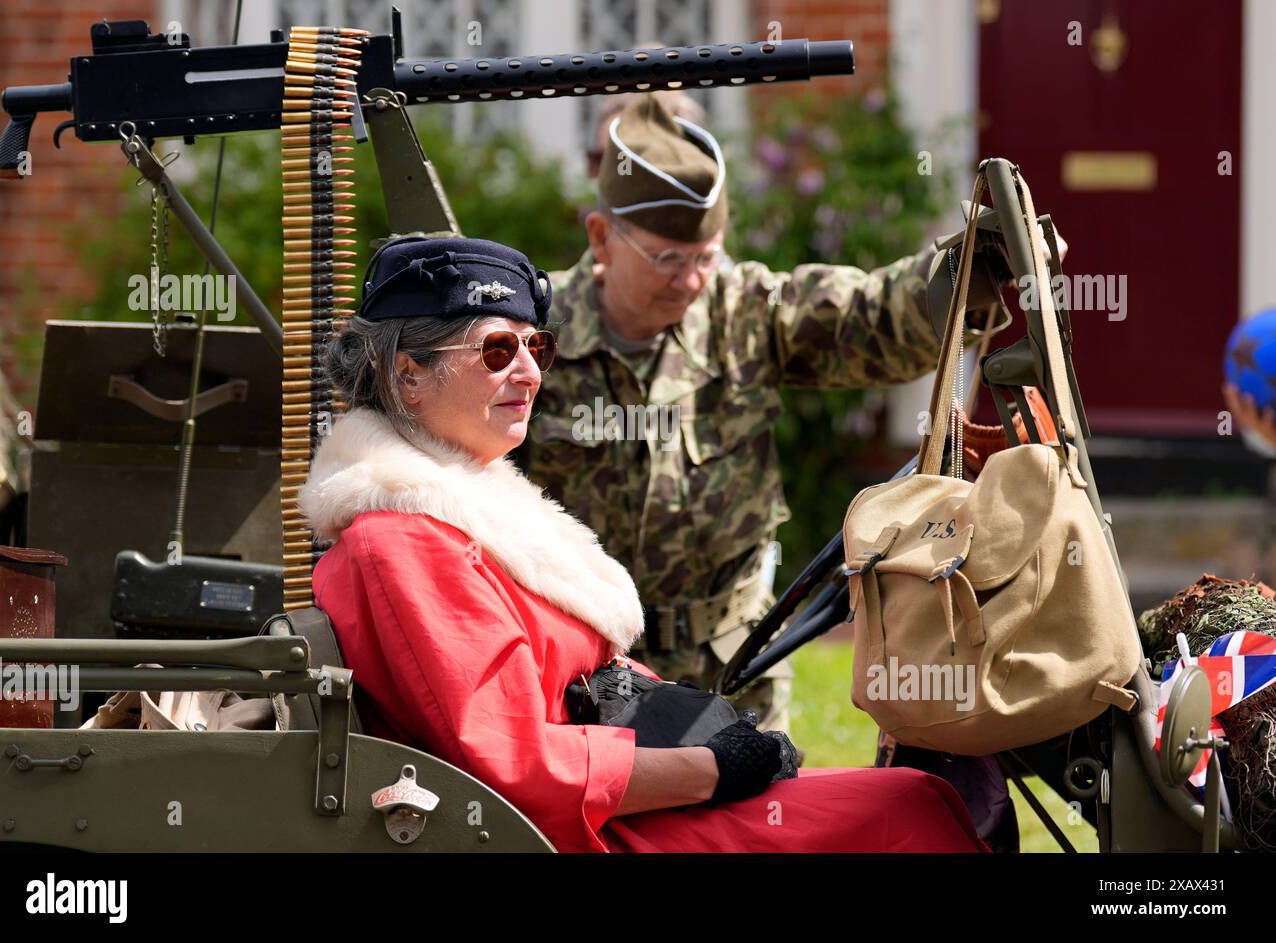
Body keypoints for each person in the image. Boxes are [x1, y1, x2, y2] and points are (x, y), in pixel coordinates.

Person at [300, 235, 987, 853]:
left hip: (617, 801)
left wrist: (713, 732)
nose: (531, 372)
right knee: (911, 806)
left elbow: (585, 681)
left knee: (916, 794)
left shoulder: (464, 517)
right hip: (581, 828)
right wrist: (713, 766)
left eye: (536, 347)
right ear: (407, 376)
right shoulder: (405, 541)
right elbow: (517, 765)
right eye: (496, 349)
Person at [515, 92, 964, 731]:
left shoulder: (746, 310)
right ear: (601, 237)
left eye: (706, 256)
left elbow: (872, 316)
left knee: (753, 829)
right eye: (668, 259)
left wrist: (967, 270)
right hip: (583, 665)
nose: (693, 280)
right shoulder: (531, 340)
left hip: (730, 665)